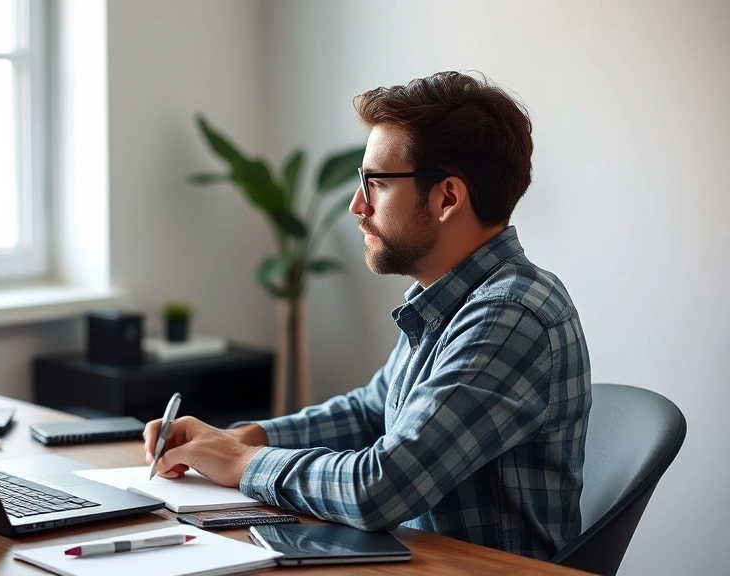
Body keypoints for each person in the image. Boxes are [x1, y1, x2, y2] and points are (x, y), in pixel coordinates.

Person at [145, 71, 591, 560]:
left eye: (374, 182)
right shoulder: (447, 296)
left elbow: (380, 488)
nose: (357, 205)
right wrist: (246, 436)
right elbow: (372, 411)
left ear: (447, 198)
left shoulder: (511, 315)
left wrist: (244, 462)